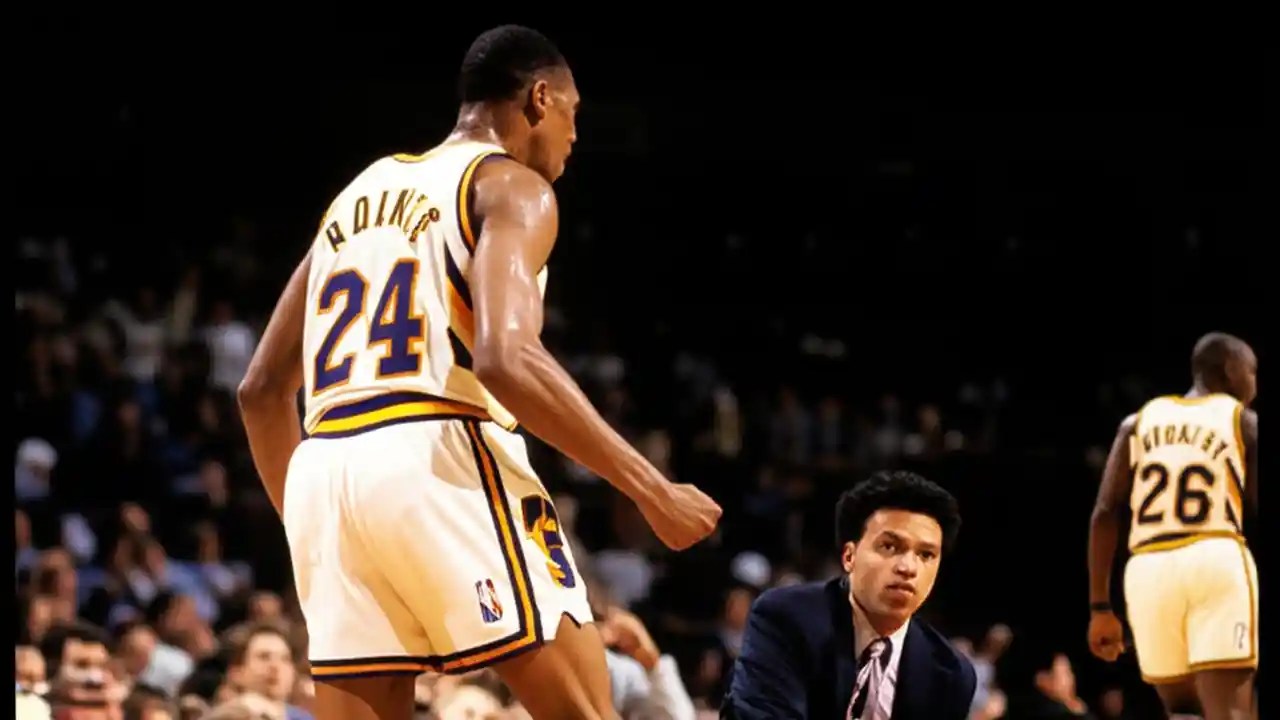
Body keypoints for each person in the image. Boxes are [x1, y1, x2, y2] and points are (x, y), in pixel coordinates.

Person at [237, 24, 722, 720]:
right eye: (573, 115)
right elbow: (505, 357)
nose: (575, 136)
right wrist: (651, 488)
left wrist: (317, 525)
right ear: (539, 98)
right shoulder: (510, 187)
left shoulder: (358, 193)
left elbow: (259, 391)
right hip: (437, 446)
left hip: (324, 469)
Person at [1087, 332, 1259, 720]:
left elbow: (1104, 512)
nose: (1255, 385)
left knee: (1182, 711)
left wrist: (1100, 606)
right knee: (1232, 711)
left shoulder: (1138, 421)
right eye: (1253, 372)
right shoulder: (1240, 420)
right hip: (1214, 555)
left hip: (1148, 567)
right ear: (1232, 370)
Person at [721, 470, 976, 719]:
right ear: (849, 556)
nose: (908, 567)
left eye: (926, 555)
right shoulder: (786, 618)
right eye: (889, 546)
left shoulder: (951, 672)